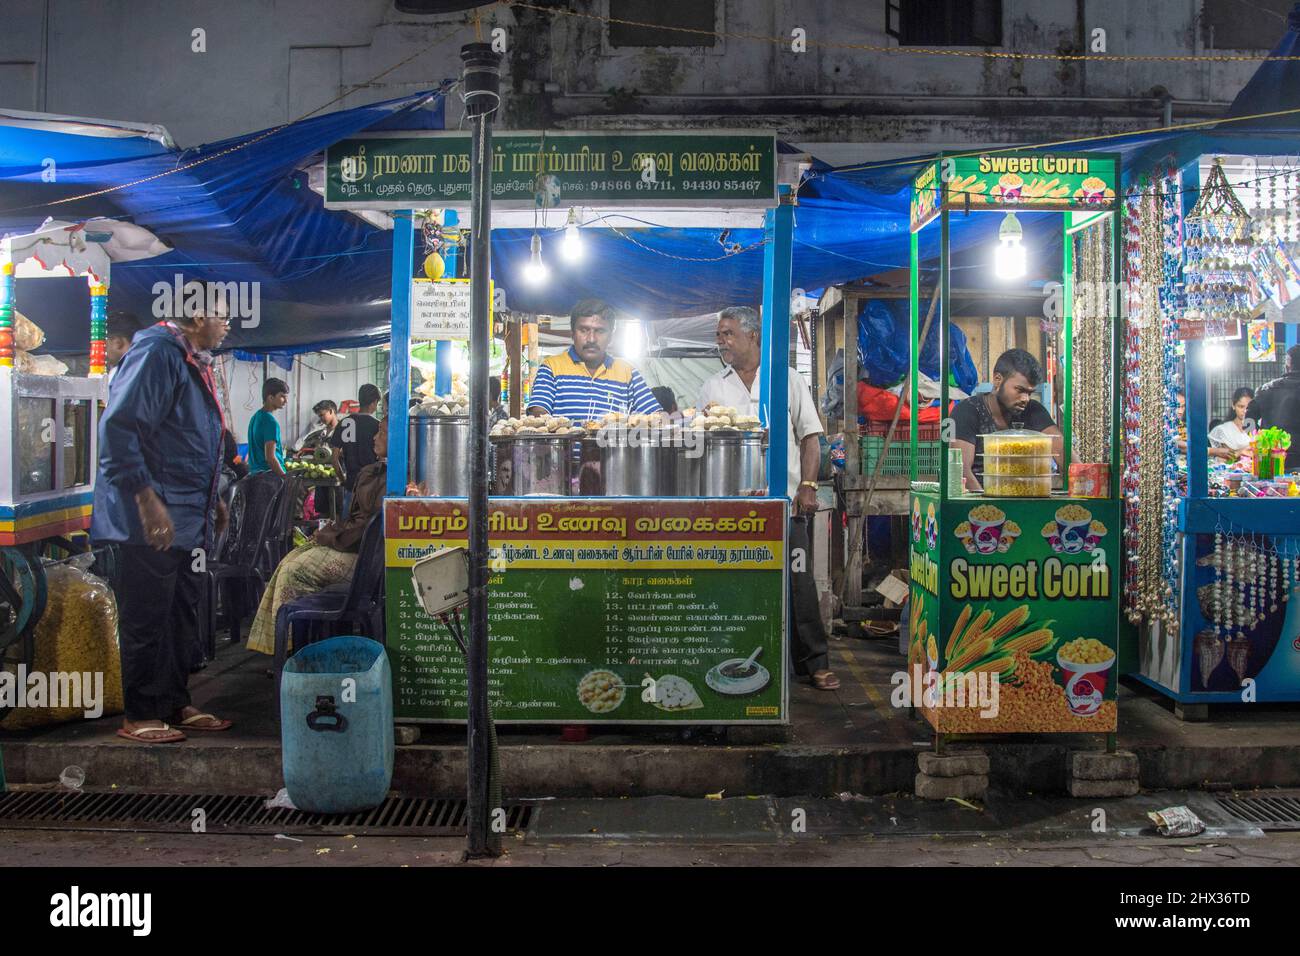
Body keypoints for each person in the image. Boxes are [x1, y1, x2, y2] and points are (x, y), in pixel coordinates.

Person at [91, 297, 233, 743]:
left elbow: (189, 438)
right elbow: (119, 431)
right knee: (147, 615)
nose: (227, 324)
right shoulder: (156, 354)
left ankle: (173, 701)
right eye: (221, 314)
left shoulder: (192, 360)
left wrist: (215, 500)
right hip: (151, 517)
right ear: (195, 316)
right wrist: (148, 501)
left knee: (181, 613)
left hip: (189, 514)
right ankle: (139, 712)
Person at [698, 306, 838, 691]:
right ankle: (738, 656)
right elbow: (701, 442)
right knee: (737, 583)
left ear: (753, 335)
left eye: (728, 334)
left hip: (785, 501)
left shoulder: (787, 380)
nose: (722, 342)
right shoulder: (713, 387)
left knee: (798, 582)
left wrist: (806, 488)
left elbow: (811, 438)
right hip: (732, 506)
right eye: (719, 335)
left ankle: (814, 662)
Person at [247, 420, 388, 656]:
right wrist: (329, 533)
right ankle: (285, 645)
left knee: (294, 571)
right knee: (289, 560)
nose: (375, 438)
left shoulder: (390, 479)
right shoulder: (371, 472)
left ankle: (294, 650)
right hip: (354, 547)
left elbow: (363, 529)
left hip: (366, 562)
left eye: (382, 433)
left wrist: (330, 536)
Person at [526, 299, 661, 419]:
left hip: (614, 448)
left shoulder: (628, 373)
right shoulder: (551, 367)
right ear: (572, 333)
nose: (591, 339)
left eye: (600, 331)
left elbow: (655, 416)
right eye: (584, 330)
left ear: (611, 337)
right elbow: (538, 414)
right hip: (564, 448)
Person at [951, 348, 1062, 492]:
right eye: (1020, 390)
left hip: (1026, 500)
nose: (1025, 399)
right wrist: (989, 509)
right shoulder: (967, 411)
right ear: (998, 380)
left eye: (1029, 393)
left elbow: (1064, 455)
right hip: (980, 502)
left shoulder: (1033, 410)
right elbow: (961, 472)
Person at [1249, 344, 1300, 469]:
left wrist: (1257, 442)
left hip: (1272, 461)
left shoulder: (1266, 389)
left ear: (1288, 364)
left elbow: (1248, 420)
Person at [330, 383, 382, 492]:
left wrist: (343, 480)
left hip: (351, 484)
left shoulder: (344, 423)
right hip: (371, 485)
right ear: (374, 402)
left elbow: (334, 459)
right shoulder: (378, 425)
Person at [247, 377, 289, 476]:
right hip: (269, 476)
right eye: (282, 396)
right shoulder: (271, 422)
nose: (286, 401)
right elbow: (270, 458)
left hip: (255, 475)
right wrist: (284, 478)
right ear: (270, 398)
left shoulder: (256, 417)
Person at [1210, 387, 1256, 455]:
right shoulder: (1223, 430)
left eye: (1249, 407)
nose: (1245, 411)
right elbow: (1224, 458)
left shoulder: (1259, 427)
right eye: (1241, 406)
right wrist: (1241, 452)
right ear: (1233, 406)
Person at [105, 309, 142, 384]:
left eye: (105, 345)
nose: (104, 352)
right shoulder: (153, 362)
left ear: (117, 342)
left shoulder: (120, 373)